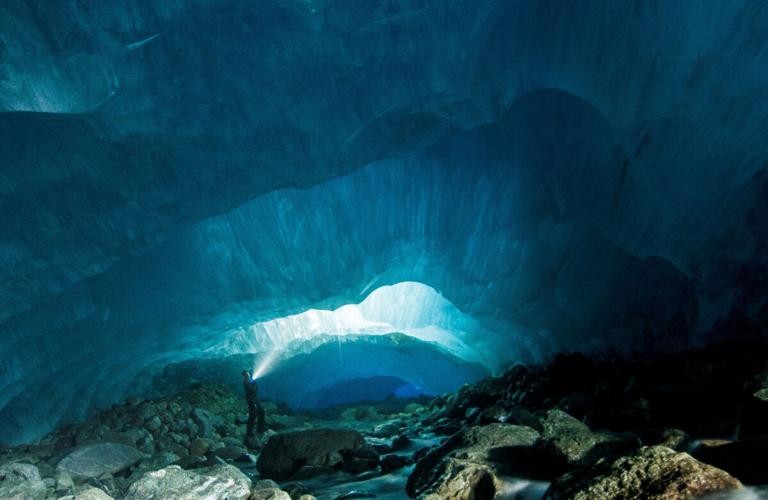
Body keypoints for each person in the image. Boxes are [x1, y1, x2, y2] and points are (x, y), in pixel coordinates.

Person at [242, 370, 266, 442]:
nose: (248, 374)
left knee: (261, 411)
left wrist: (254, 384)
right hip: (251, 399)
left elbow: (254, 389)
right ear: (244, 375)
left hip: (255, 398)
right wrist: (255, 385)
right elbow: (253, 390)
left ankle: (260, 428)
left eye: (248, 373)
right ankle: (249, 432)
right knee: (253, 415)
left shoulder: (249, 380)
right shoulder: (246, 381)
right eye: (246, 373)